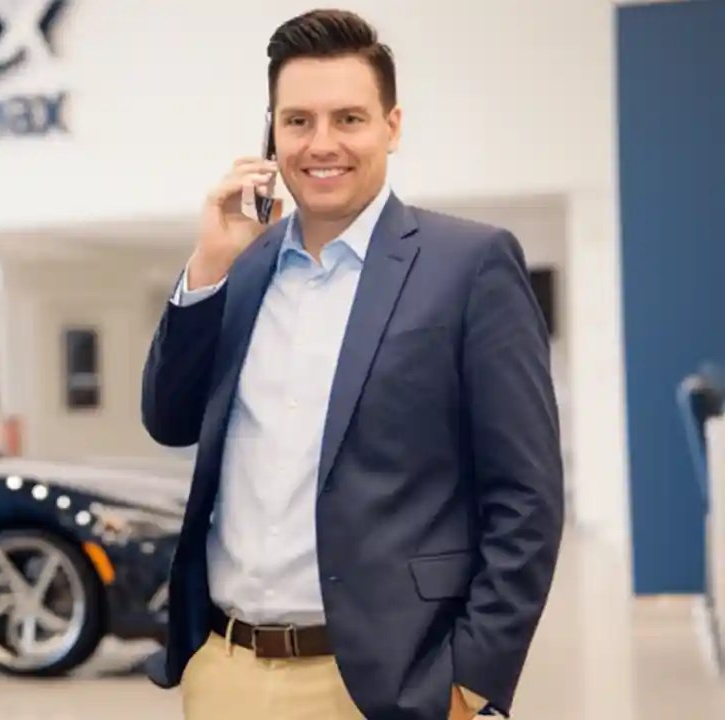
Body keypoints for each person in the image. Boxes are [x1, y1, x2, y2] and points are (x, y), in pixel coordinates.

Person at [140, 10, 563, 720]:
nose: (321, 144)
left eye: (349, 119)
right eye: (297, 121)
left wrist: (471, 682)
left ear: (391, 127)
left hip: (387, 685)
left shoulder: (470, 265)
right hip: (226, 670)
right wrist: (209, 266)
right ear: (271, 133)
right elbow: (168, 419)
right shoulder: (243, 267)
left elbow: (527, 497)